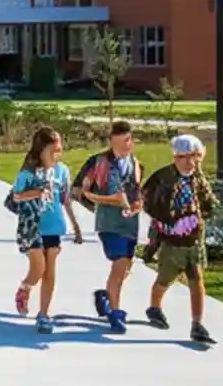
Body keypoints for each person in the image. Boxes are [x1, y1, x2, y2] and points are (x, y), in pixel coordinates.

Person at [142, 135, 219, 344]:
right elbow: (147, 199)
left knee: (197, 280)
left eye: (193, 157)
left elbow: (208, 203)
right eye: (183, 157)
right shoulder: (163, 177)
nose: (189, 162)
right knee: (164, 279)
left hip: (193, 239)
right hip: (171, 239)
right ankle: (154, 307)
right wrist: (170, 217)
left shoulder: (198, 178)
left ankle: (197, 324)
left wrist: (199, 214)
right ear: (175, 157)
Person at [10, 127, 84, 333]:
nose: (57, 153)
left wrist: (76, 226)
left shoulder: (62, 171)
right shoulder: (27, 172)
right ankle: (25, 287)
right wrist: (37, 192)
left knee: (50, 269)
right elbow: (16, 196)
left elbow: (65, 200)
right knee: (38, 269)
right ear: (41, 149)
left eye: (59, 149)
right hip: (32, 226)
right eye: (53, 149)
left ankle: (44, 314)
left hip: (54, 226)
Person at [76, 120, 143, 333]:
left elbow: (137, 192)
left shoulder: (136, 164)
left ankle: (105, 295)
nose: (126, 145)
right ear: (111, 141)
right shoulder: (98, 163)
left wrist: (137, 203)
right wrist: (107, 200)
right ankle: (115, 312)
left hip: (131, 224)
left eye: (129, 140)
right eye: (121, 141)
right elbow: (82, 192)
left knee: (125, 267)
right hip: (109, 224)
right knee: (120, 264)